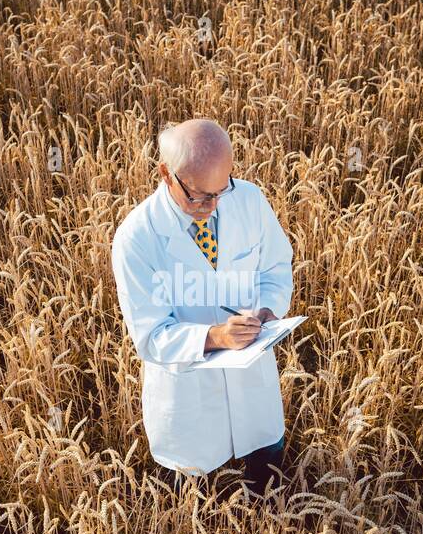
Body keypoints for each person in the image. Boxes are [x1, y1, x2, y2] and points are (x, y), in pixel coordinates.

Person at [111, 118, 294, 496]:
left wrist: (266, 312)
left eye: (220, 191)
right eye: (198, 196)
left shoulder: (249, 200)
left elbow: (276, 267)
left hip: (252, 386)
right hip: (187, 398)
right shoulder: (136, 238)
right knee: (195, 502)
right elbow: (151, 337)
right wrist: (215, 337)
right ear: (165, 173)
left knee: (269, 486)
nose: (212, 206)